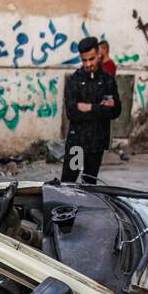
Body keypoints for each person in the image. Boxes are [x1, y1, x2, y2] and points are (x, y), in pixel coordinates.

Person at [58, 36, 121, 185]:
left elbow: (115, 111)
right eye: (84, 60)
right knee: (68, 183)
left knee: (89, 185)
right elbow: (72, 112)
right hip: (77, 144)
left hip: (97, 144)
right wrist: (101, 109)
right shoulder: (74, 80)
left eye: (91, 59)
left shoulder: (108, 81)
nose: (88, 64)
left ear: (99, 53)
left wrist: (88, 107)